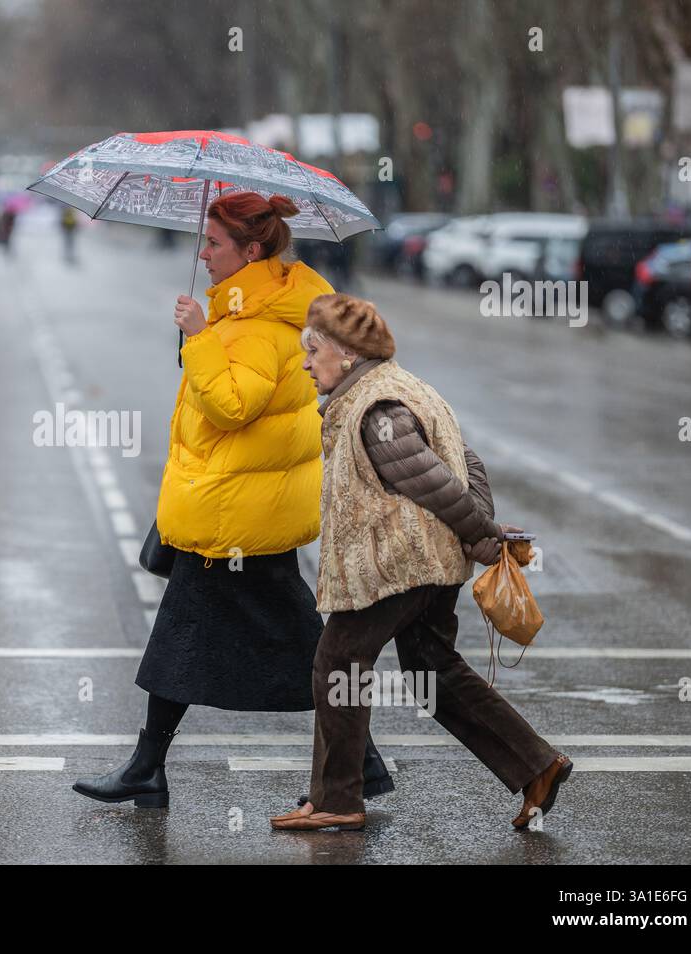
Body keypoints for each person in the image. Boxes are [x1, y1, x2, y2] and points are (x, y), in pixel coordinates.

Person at [72, 193, 395, 809]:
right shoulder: (258, 311)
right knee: (292, 642)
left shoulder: (255, 325)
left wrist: (198, 338)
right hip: (244, 506)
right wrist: (201, 336)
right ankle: (363, 764)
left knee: (189, 638)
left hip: (235, 515)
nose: (203, 253)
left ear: (252, 251)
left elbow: (231, 405)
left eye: (214, 244)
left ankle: (148, 767)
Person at [269, 294, 572, 832]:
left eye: (313, 351)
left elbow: (435, 479)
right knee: (433, 667)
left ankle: (337, 798)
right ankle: (536, 765)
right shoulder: (403, 388)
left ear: (346, 352)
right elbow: (466, 458)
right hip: (429, 565)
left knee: (337, 663)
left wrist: (484, 538)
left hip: (397, 565)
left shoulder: (375, 407)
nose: (306, 363)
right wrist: (481, 531)